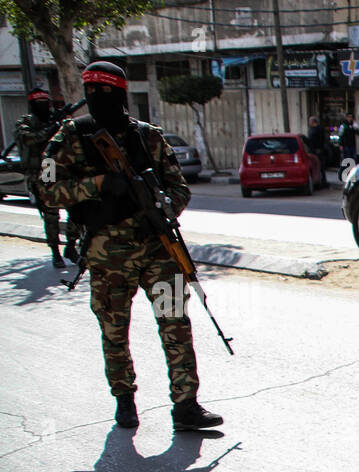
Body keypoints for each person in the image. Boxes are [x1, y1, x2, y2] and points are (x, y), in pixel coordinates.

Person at [39, 61, 222, 432]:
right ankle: (124, 401)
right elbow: (46, 191)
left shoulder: (148, 136)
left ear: (122, 94)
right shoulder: (71, 137)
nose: (97, 99)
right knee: (114, 330)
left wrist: (160, 207)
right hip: (108, 257)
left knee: (176, 325)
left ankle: (186, 405)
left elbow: (179, 187)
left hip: (158, 250)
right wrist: (99, 185)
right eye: (91, 92)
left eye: (105, 93)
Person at [15, 87, 79, 268]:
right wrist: (51, 128)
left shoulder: (58, 120)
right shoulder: (26, 122)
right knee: (51, 214)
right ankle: (55, 252)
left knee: (75, 209)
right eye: (39, 103)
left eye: (46, 102)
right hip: (44, 169)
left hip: (62, 168)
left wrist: (63, 125)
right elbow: (28, 139)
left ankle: (71, 245)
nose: (44, 106)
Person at [305, 115, 328, 189]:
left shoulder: (314, 130)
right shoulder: (319, 129)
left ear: (313, 122)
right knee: (321, 167)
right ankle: (323, 181)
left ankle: (320, 182)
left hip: (316, 151)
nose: (309, 123)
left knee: (318, 166)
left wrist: (305, 140)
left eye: (310, 121)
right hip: (319, 150)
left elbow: (311, 140)